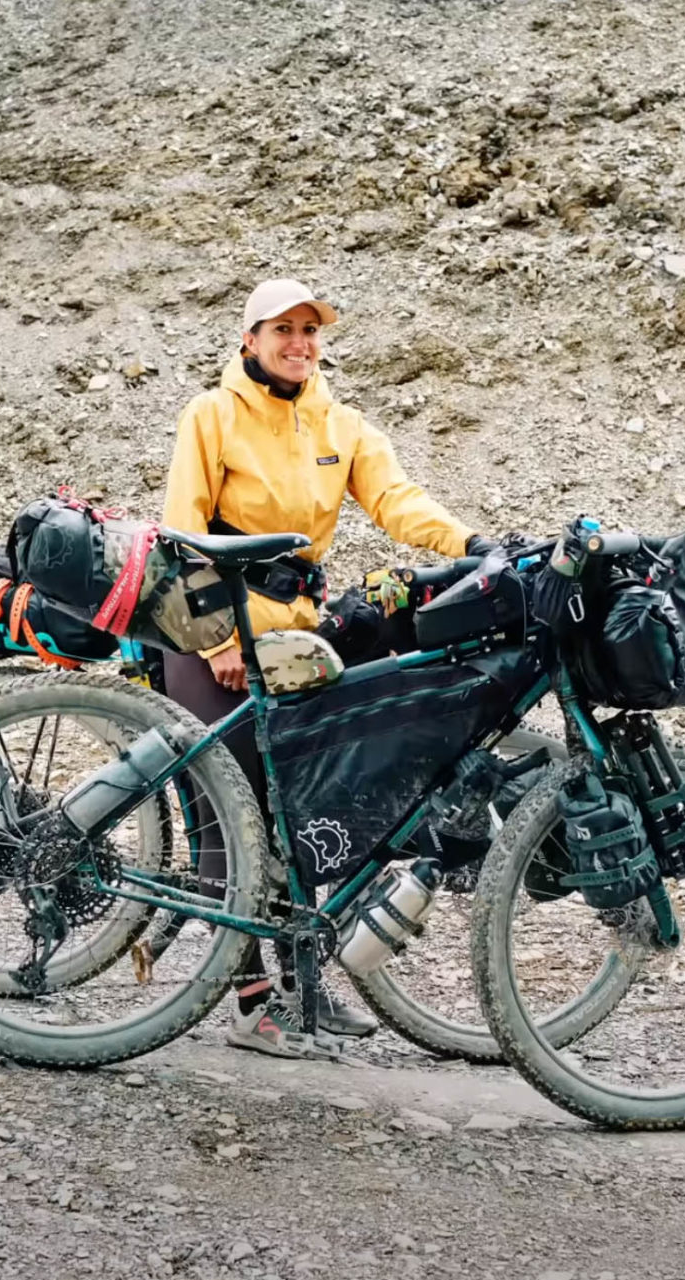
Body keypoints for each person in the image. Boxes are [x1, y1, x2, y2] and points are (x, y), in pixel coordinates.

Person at [160, 278, 496, 1059]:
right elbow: (182, 534)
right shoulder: (211, 415)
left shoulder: (338, 424)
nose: (299, 343)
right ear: (250, 340)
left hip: (293, 644)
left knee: (297, 806)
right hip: (215, 636)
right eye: (283, 329)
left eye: (310, 331)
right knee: (231, 807)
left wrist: (470, 544)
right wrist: (216, 642)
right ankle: (245, 999)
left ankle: (299, 983)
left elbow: (397, 500)